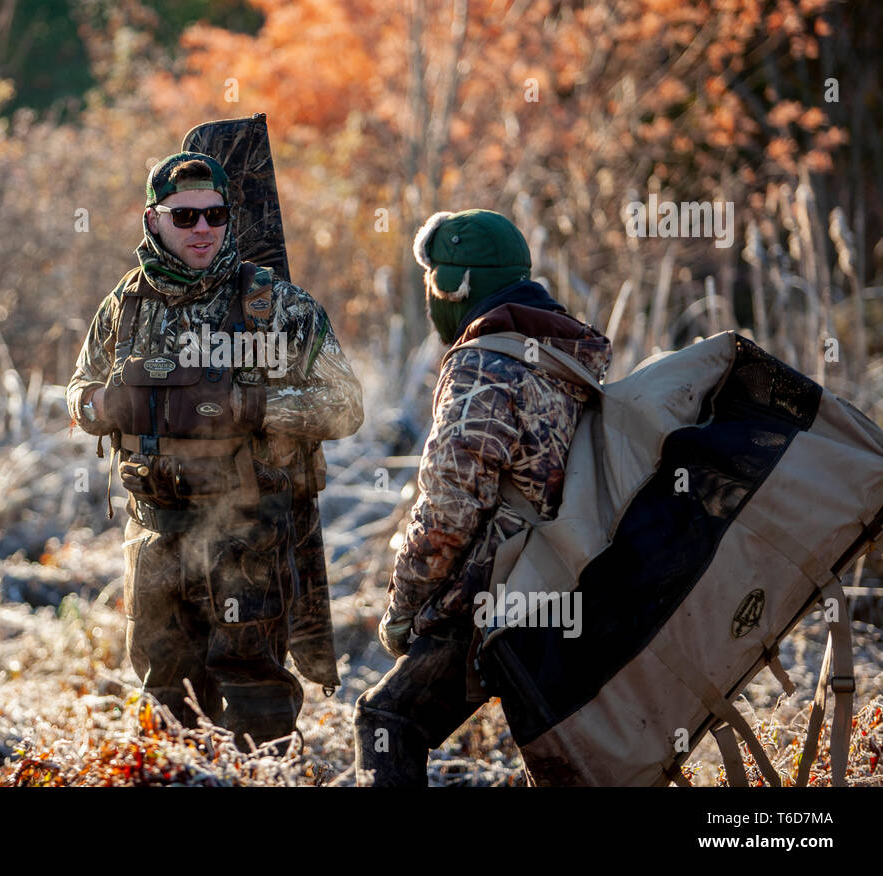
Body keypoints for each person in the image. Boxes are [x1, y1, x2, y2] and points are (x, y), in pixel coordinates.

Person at [67, 151, 363, 749]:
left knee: (257, 698)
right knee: (164, 697)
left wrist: (252, 408)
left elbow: (346, 405)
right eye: (185, 217)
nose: (202, 228)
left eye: (215, 214)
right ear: (153, 219)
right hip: (153, 536)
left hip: (249, 535)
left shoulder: (274, 306)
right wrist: (99, 406)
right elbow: (77, 389)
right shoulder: (125, 306)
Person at [353, 209, 611, 785]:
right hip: (576, 582)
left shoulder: (485, 364)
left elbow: (447, 513)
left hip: (501, 595)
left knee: (386, 719)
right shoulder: (565, 350)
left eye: (432, 279)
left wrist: (402, 611)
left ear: (455, 285)